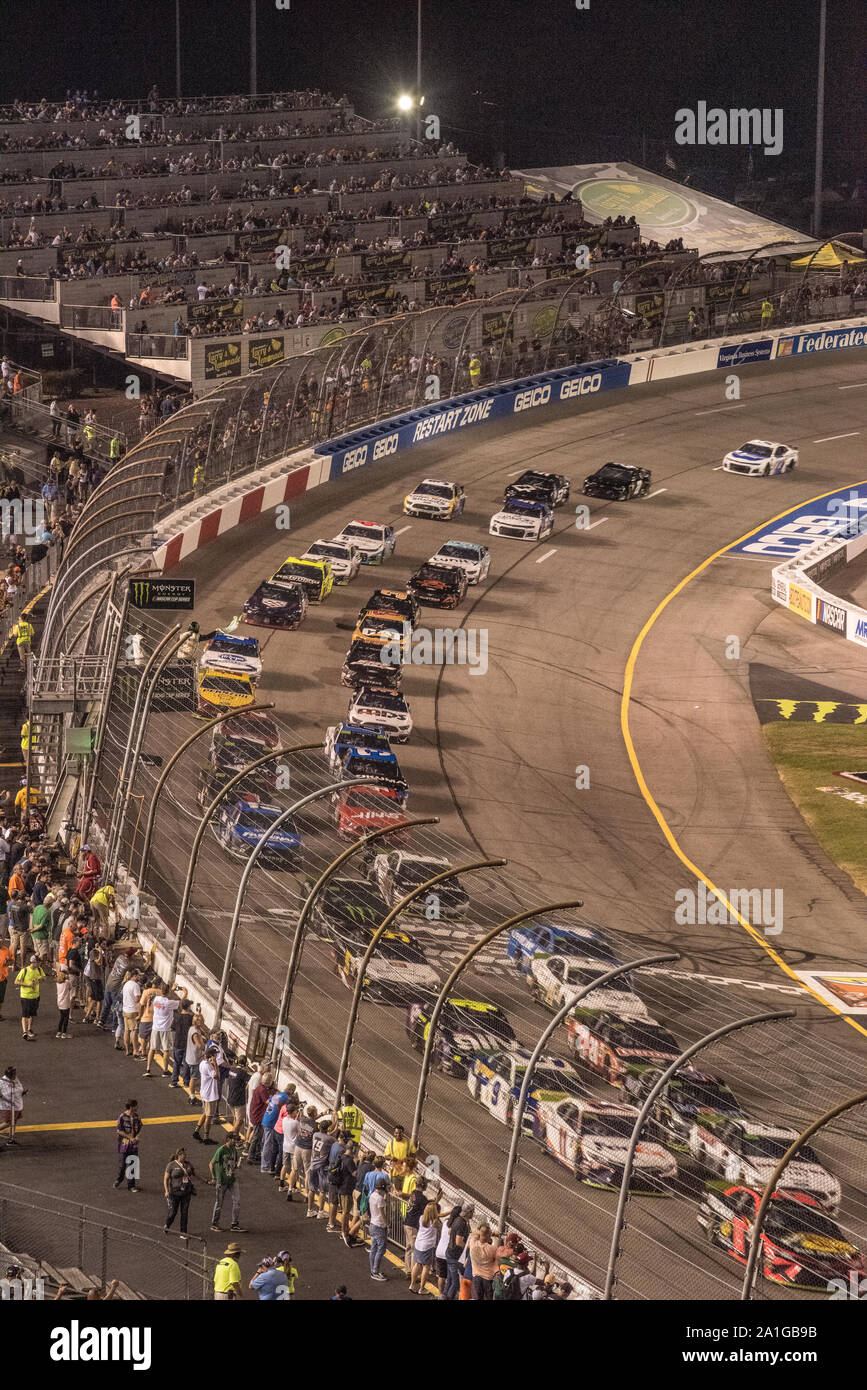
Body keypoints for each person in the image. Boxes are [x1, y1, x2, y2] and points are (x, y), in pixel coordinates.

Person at [209, 1131, 245, 1234]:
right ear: (228, 1139)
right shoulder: (221, 1150)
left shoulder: (234, 1150)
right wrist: (214, 1178)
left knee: (237, 1201)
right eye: (234, 1139)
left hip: (231, 1179)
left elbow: (233, 1164)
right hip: (222, 1181)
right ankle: (214, 1224)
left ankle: (234, 1224)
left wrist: (237, 1166)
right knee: (219, 1203)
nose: (236, 1141)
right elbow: (211, 1164)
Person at [144, 985, 180, 1077]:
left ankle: (148, 1068)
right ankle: (165, 1070)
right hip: (165, 1029)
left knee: (152, 1048)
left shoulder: (156, 999)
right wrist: (185, 993)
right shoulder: (169, 1003)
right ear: (168, 992)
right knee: (166, 1050)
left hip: (155, 1027)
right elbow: (181, 1003)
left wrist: (171, 990)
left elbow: (164, 995)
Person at [163, 1146, 196, 1237]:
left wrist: (206, 1181)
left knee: (184, 1212)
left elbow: (195, 1175)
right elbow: (165, 1179)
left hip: (186, 1193)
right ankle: (167, 1224)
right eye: (184, 1154)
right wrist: (167, 1191)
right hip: (174, 1193)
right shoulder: (171, 1165)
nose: (186, 1156)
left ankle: (183, 1232)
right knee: (173, 1212)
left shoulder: (188, 1164)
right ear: (179, 1155)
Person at [409, 1200, 441, 1294]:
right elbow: (441, 1227)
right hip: (427, 1246)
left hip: (418, 1244)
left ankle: (412, 1284)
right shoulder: (435, 1222)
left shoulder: (421, 1218)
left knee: (417, 1264)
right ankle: (421, 1288)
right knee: (426, 1267)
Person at [444, 1201, 473, 1300]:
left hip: (449, 1252)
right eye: (472, 1212)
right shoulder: (462, 1223)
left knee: (450, 1279)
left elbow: (450, 1231)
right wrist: (468, 1247)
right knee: (455, 1283)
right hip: (454, 1256)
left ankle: (444, 1296)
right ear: (468, 1212)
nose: (473, 1214)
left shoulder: (458, 1219)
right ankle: (448, 1297)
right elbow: (458, 1241)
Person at [14, 951, 46, 1039]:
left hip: (35, 996)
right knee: (25, 1015)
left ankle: (29, 1029)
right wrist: (27, 984)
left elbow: (44, 978)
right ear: (33, 962)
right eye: (38, 962)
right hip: (25, 996)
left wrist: (41, 978)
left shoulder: (39, 969)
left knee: (32, 1014)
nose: (40, 963)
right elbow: (16, 981)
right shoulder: (24, 970)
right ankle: (24, 1032)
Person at [194, 1046, 221, 1144]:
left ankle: (196, 1131)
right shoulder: (208, 1066)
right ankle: (206, 1137)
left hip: (204, 1092)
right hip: (210, 1095)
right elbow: (217, 1076)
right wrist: (216, 1064)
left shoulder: (202, 1063)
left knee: (205, 1113)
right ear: (211, 1055)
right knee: (209, 1116)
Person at [114, 1099, 142, 1193]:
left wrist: (137, 1137)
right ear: (131, 1107)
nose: (137, 1107)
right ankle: (119, 1179)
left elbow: (140, 1128)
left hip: (133, 1145)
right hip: (124, 1144)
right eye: (136, 1106)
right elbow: (119, 1130)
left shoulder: (136, 1117)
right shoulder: (122, 1117)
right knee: (122, 1165)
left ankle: (131, 1185)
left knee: (133, 1164)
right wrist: (130, 1137)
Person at [469, 1222, 498, 1300]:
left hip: (476, 1276)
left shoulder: (472, 1242)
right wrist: (493, 1235)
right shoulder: (492, 1248)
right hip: (488, 1278)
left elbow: (475, 1232)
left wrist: (486, 1233)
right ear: (488, 1235)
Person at [368, 1174, 390, 1281]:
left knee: (374, 1249)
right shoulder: (380, 1199)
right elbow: (382, 1213)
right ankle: (375, 1272)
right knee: (381, 1250)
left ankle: (373, 1270)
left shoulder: (372, 1195)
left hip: (372, 1224)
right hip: (379, 1226)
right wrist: (387, 1224)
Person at [168, 997, 193, 1086]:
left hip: (178, 1042)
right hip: (188, 1043)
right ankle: (186, 1082)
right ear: (188, 1007)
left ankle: (174, 1081)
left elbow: (172, 1027)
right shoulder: (191, 1018)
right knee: (186, 1063)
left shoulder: (177, 1016)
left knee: (176, 1062)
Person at [120, 969, 141, 1056]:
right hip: (133, 1011)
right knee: (134, 1031)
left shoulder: (126, 984)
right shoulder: (135, 985)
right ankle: (135, 1050)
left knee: (126, 1030)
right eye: (138, 975)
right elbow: (137, 999)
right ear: (135, 976)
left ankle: (127, 1050)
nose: (139, 977)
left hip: (125, 1010)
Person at [0, 1065, 25, 1139]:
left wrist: (22, 1092)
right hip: (7, 1106)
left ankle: (11, 1139)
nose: (15, 1075)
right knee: (8, 1123)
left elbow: (19, 1088)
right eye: (13, 1074)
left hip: (17, 1104)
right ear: (9, 1075)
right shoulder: (1, 1082)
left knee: (14, 1122)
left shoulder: (15, 1079)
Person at [55, 966, 74, 1039]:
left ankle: (59, 1032)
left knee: (61, 1018)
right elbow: (70, 988)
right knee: (66, 1018)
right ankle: (64, 1033)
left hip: (59, 1002)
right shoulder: (67, 982)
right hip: (66, 1003)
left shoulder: (57, 983)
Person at [0, 936, 13, 1019]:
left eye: (1, 940)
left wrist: (8, 962)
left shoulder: (6, 950)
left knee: (1, 1000)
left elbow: (12, 960)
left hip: (2, 979)